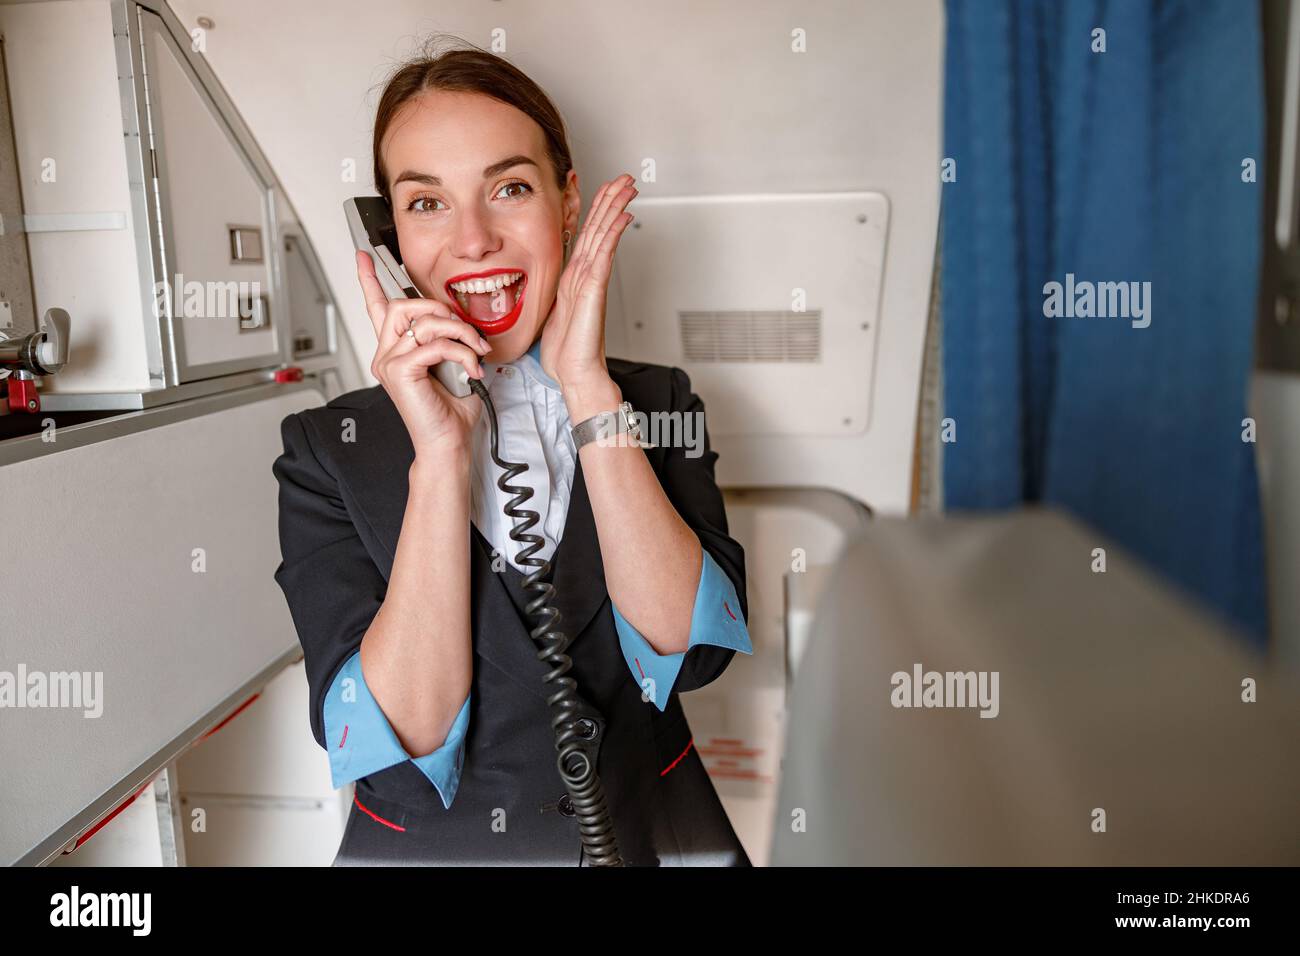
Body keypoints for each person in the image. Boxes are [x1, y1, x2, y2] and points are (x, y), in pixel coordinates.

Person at [272, 39, 753, 866]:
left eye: (510, 188)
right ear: (388, 236)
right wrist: (440, 458)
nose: (474, 241)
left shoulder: (658, 403)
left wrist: (589, 392)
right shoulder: (324, 452)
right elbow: (399, 736)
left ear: (567, 203)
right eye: (427, 203)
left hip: (656, 836)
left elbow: (695, 654)